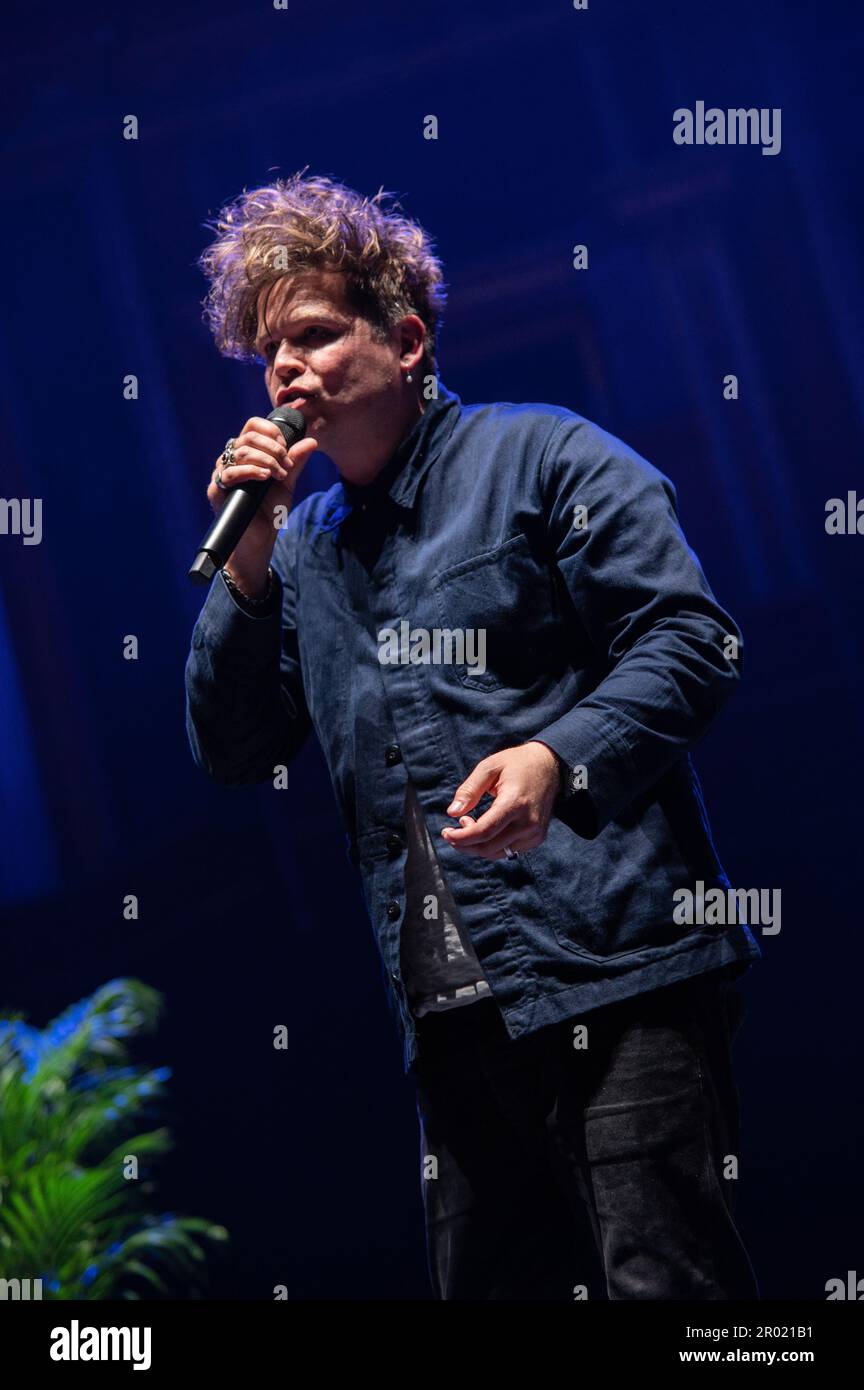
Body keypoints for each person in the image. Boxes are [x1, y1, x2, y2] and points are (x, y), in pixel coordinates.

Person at [185, 171, 762, 1300]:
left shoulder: (543, 455)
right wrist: (246, 567)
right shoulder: (297, 550)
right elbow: (230, 749)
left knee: (672, 1292)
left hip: (614, 972)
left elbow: (694, 639)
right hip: (450, 1020)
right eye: (270, 351)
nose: (285, 368)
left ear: (405, 341)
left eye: (314, 334)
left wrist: (559, 757)